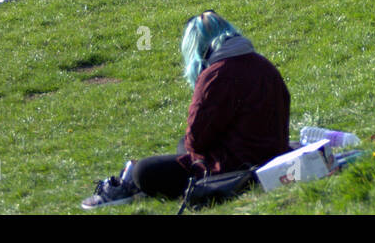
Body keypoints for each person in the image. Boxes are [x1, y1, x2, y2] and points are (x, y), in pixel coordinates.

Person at [81, 11, 289, 209]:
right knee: (181, 145)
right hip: (271, 155)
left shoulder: (216, 75)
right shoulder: (263, 64)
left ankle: (130, 185)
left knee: (145, 170)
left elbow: (196, 141)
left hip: (234, 169)